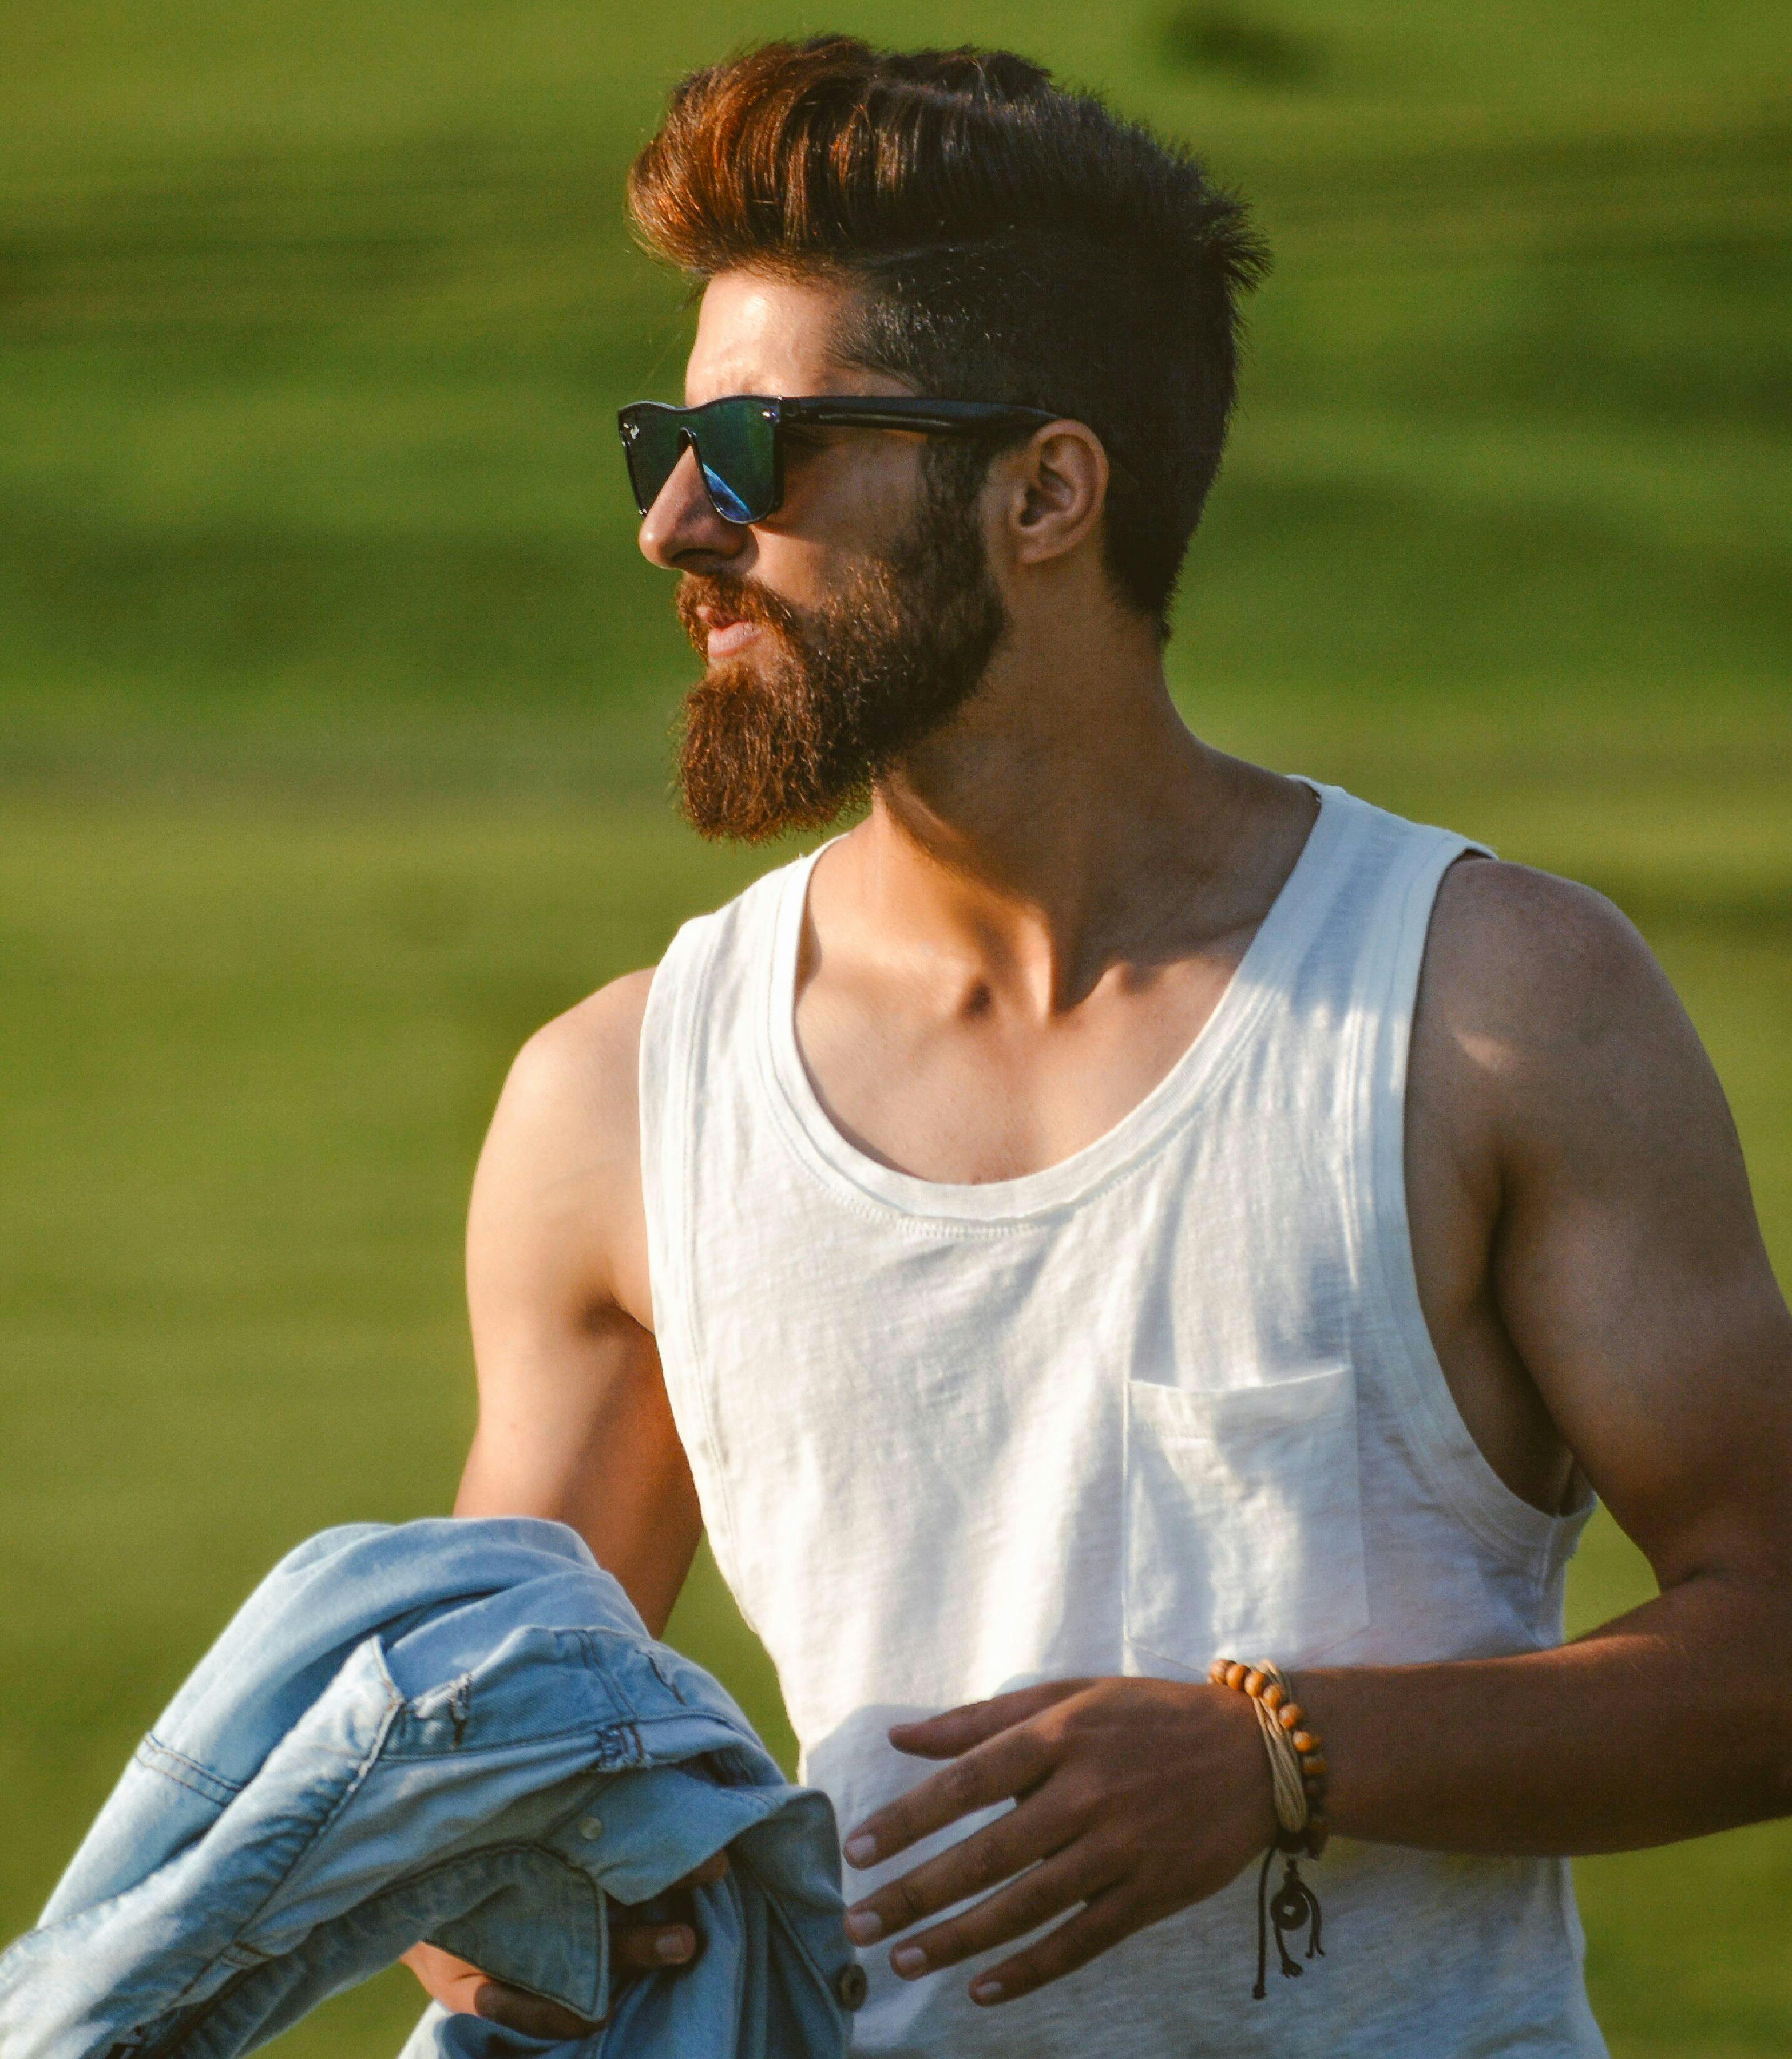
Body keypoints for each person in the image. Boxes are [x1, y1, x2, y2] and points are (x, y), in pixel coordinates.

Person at [405, 35, 1792, 2057]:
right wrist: (487, 1884)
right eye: (659, 445)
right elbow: (491, 1754)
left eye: (765, 450)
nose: (677, 529)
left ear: (1045, 489)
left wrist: (1276, 1758)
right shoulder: (616, 1100)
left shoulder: (1489, 1010)